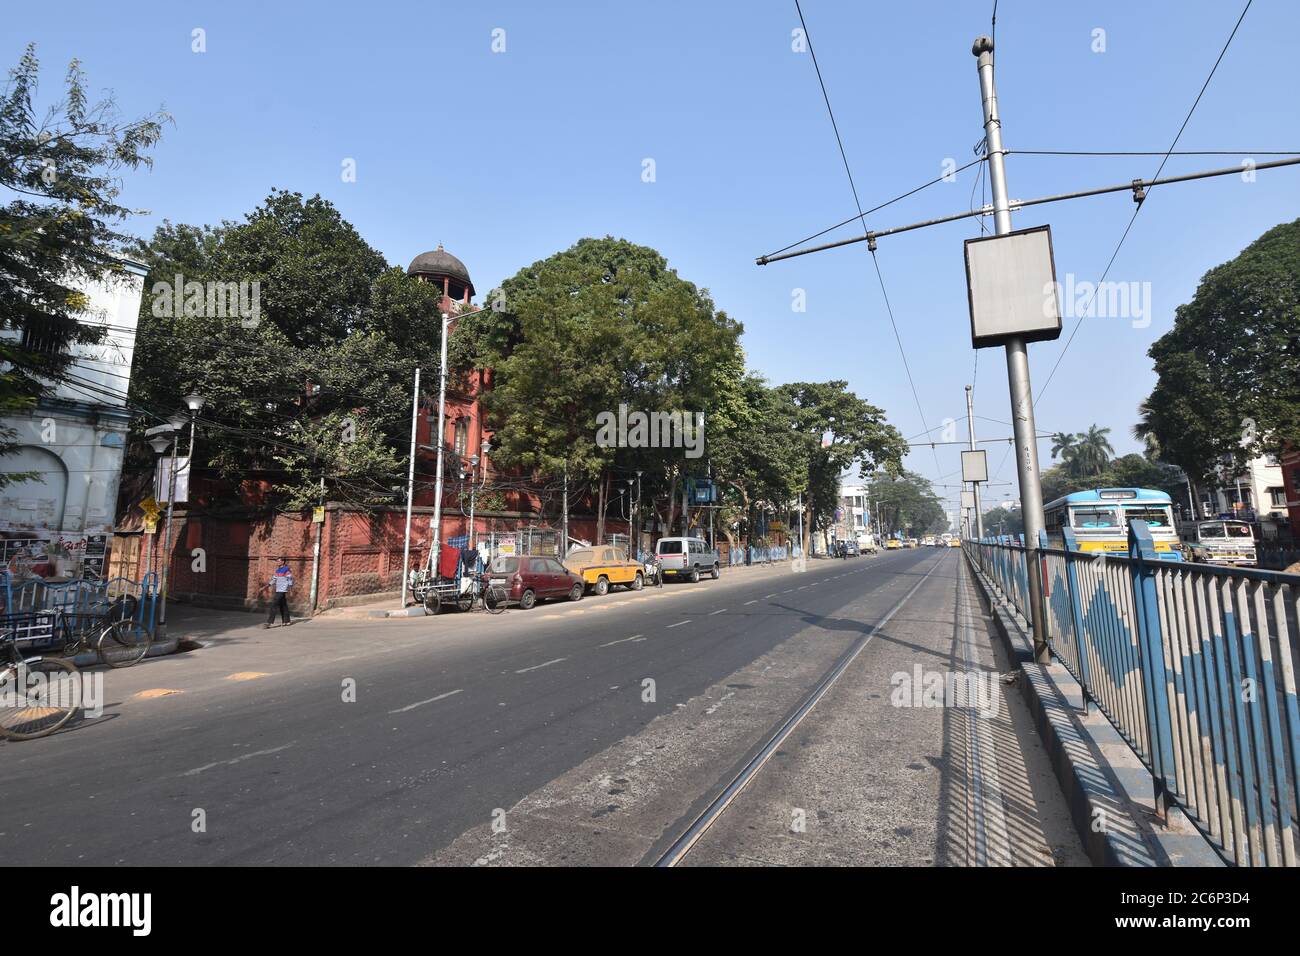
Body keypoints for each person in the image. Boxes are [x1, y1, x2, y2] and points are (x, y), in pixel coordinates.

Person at [264, 557, 294, 628]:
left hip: (282, 590)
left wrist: (291, 590)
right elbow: (274, 579)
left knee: (274, 604)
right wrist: (267, 585)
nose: (277, 562)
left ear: (283, 562)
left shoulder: (286, 570)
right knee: (283, 605)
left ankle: (269, 622)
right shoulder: (278, 571)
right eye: (277, 561)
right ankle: (287, 621)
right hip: (278, 589)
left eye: (278, 561)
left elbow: (290, 579)